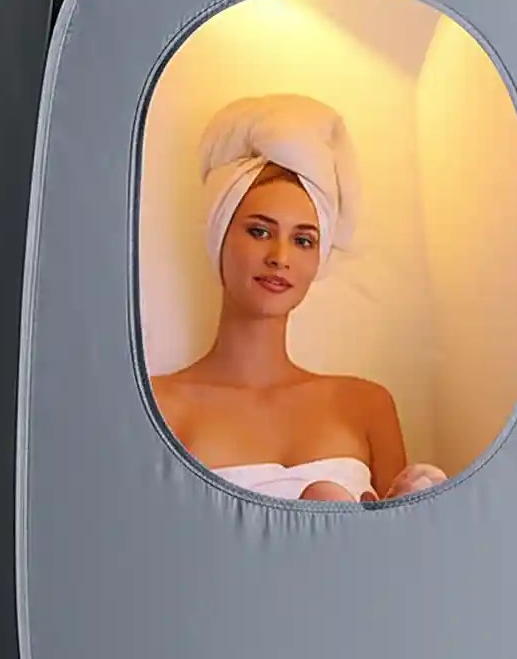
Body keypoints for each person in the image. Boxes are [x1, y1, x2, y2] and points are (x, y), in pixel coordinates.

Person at [150, 94, 446, 503]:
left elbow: (397, 542)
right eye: (259, 231)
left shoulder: (365, 405)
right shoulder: (159, 406)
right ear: (220, 237)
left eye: (303, 240)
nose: (280, 257)